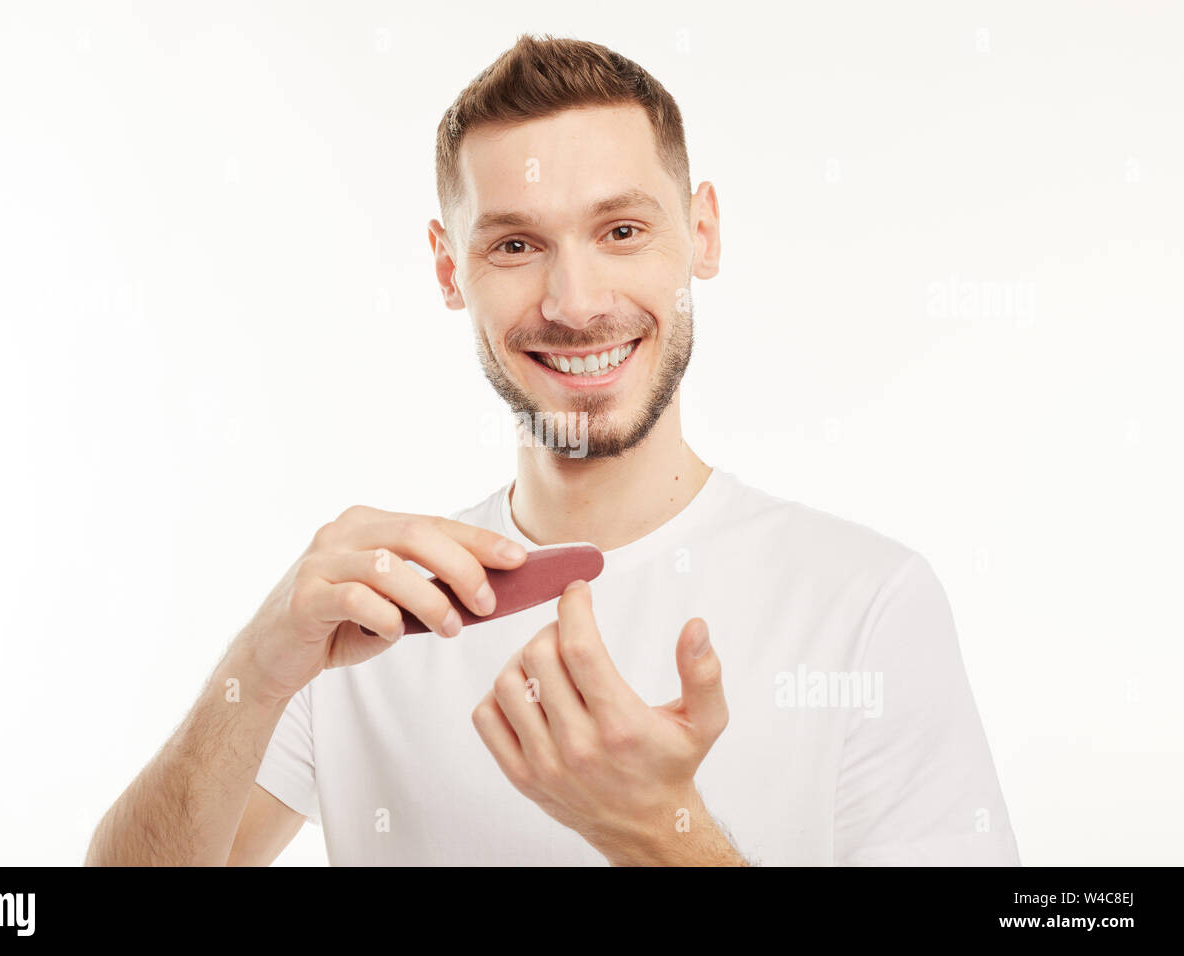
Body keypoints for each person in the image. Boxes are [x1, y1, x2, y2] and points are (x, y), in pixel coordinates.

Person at [86, 33, 1020, 867]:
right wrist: (262, 656)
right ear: (450, 268)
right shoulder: (368, 617)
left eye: (621, 230)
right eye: (516, 245)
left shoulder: (865, 603)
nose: (575, 303)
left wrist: (658, 835)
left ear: (701, 232)